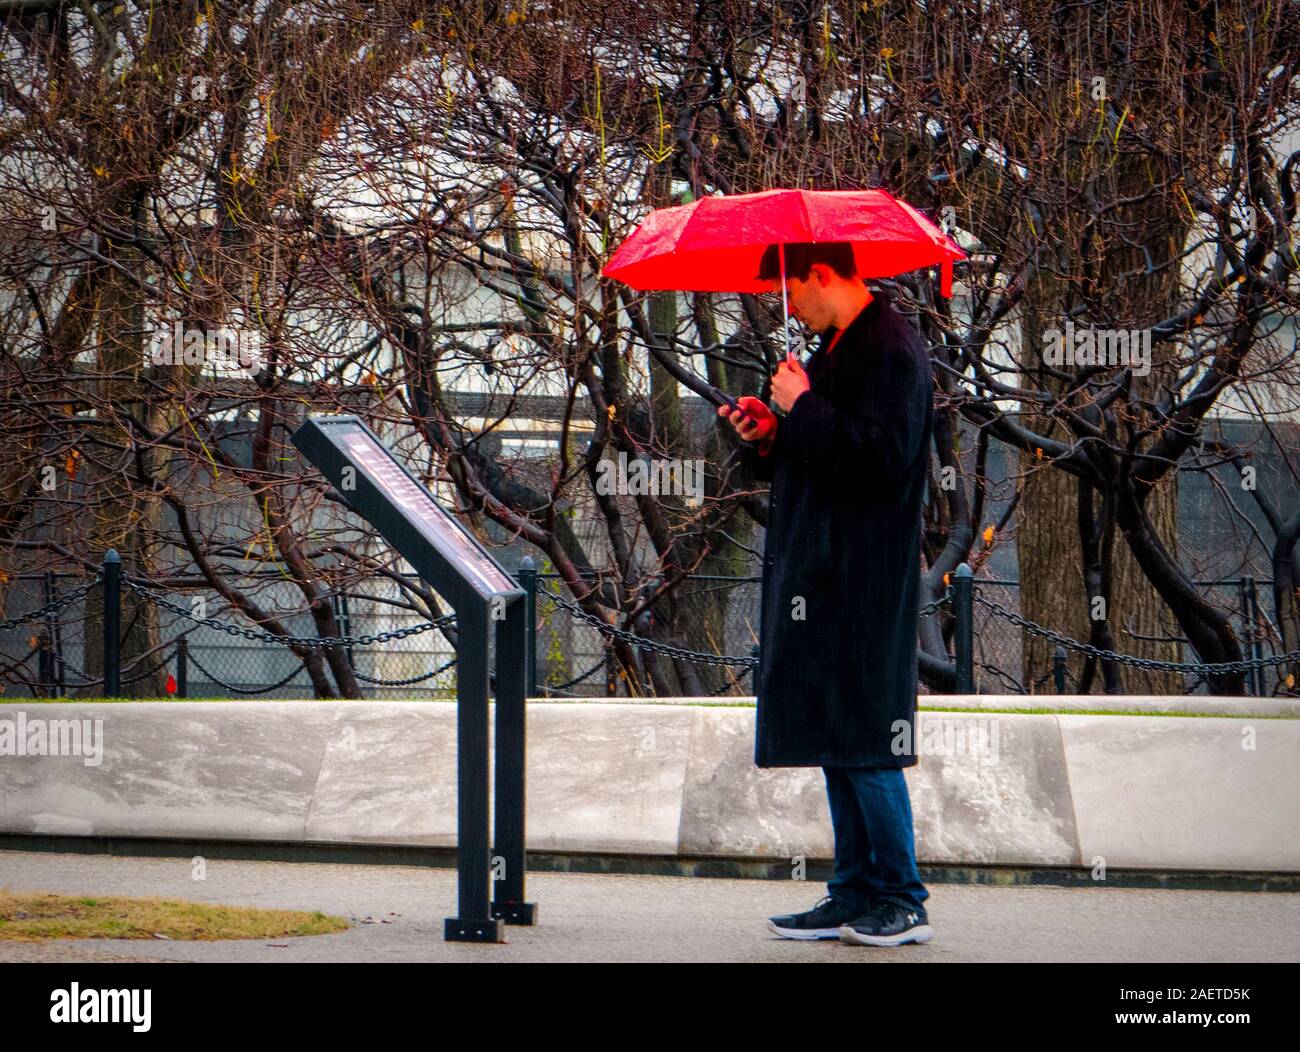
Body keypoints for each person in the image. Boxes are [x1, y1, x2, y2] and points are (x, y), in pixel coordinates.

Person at [717, 241, 934, 947]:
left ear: (820, 274)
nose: (792, 309)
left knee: (869, 737)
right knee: (838, 733)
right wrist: (772, 433)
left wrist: (803, 406)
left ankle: (901, 897)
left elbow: (883, 457)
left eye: (792, 290)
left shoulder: (891, 346)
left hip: (866, 576)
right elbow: (824, 450)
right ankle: (852, 890)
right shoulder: (840, 344)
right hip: (824, 572)